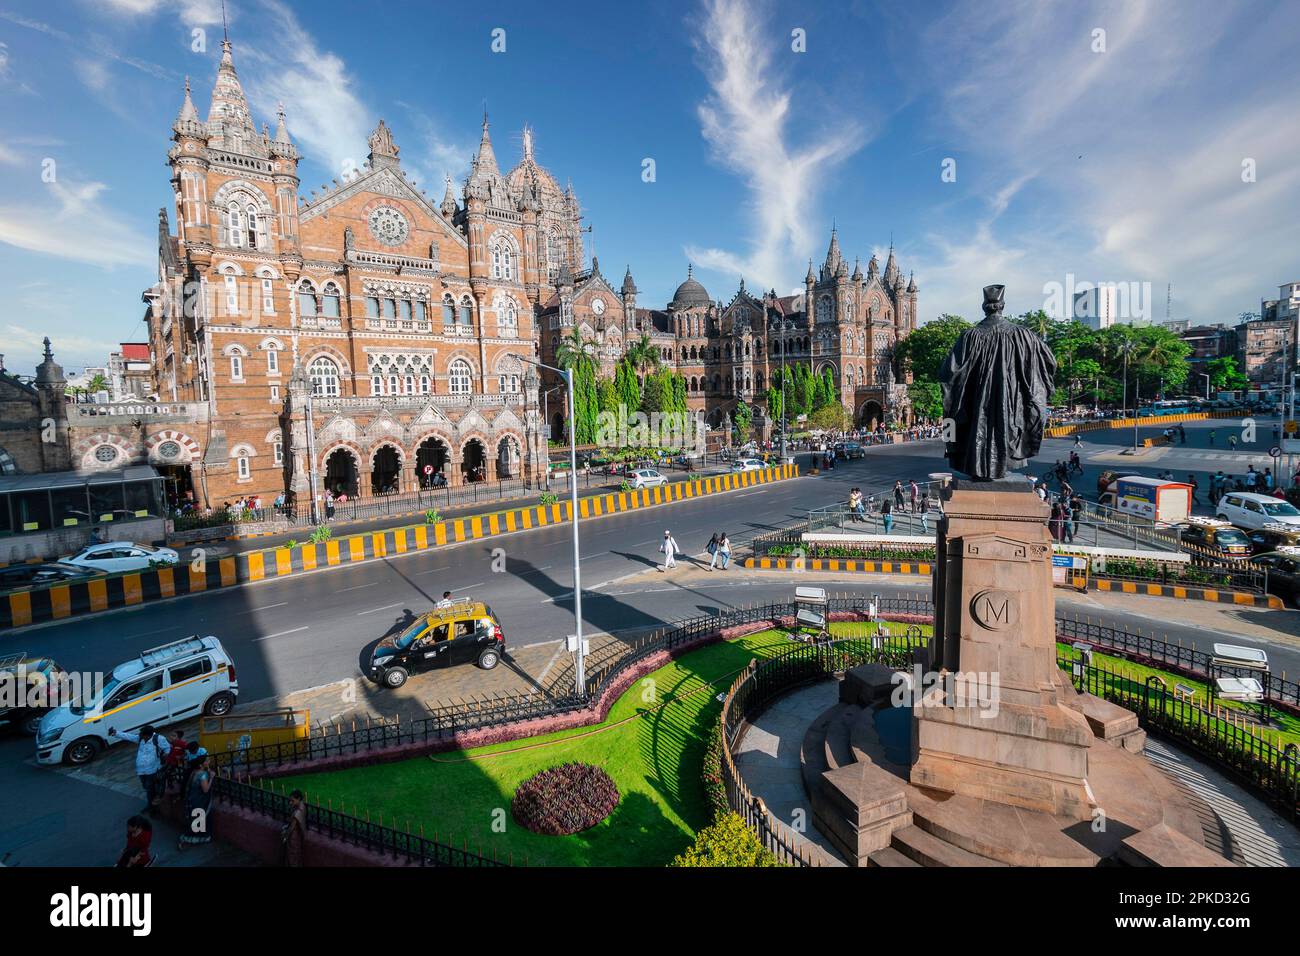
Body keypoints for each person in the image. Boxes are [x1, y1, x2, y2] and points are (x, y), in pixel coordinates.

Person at [111, 724, 170, 815]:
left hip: (152, 770)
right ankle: (152, 804)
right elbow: (129, 737)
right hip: (141, 770)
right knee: (147, 788)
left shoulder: (159, 739)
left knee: (150, 789)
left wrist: (165, 755)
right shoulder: (140, 738)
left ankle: (152, 807)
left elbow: (167, 749)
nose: (139, 736)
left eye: (142, 734)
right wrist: (116, 733)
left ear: (148, 735)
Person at [178, 753, 214, 848]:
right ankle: (199, 838)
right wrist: (212, 778)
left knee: (196, 819)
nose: (209, 761)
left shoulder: (194, 772)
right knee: (200, 819)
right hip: (199, 800)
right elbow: (205, 789)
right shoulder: (202, 775)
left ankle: (192, 837)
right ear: (201, 764)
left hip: (193, 799)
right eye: (207, 761)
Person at [283, 789, 308, 867]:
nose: (290, 803)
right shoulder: (302, 806)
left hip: (294, 837)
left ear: (299, 799)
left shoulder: (297, 813)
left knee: (292, 856)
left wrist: (285, 837)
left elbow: (291, 828)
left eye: (292, 801)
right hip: (299, 836)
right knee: (297, 855)